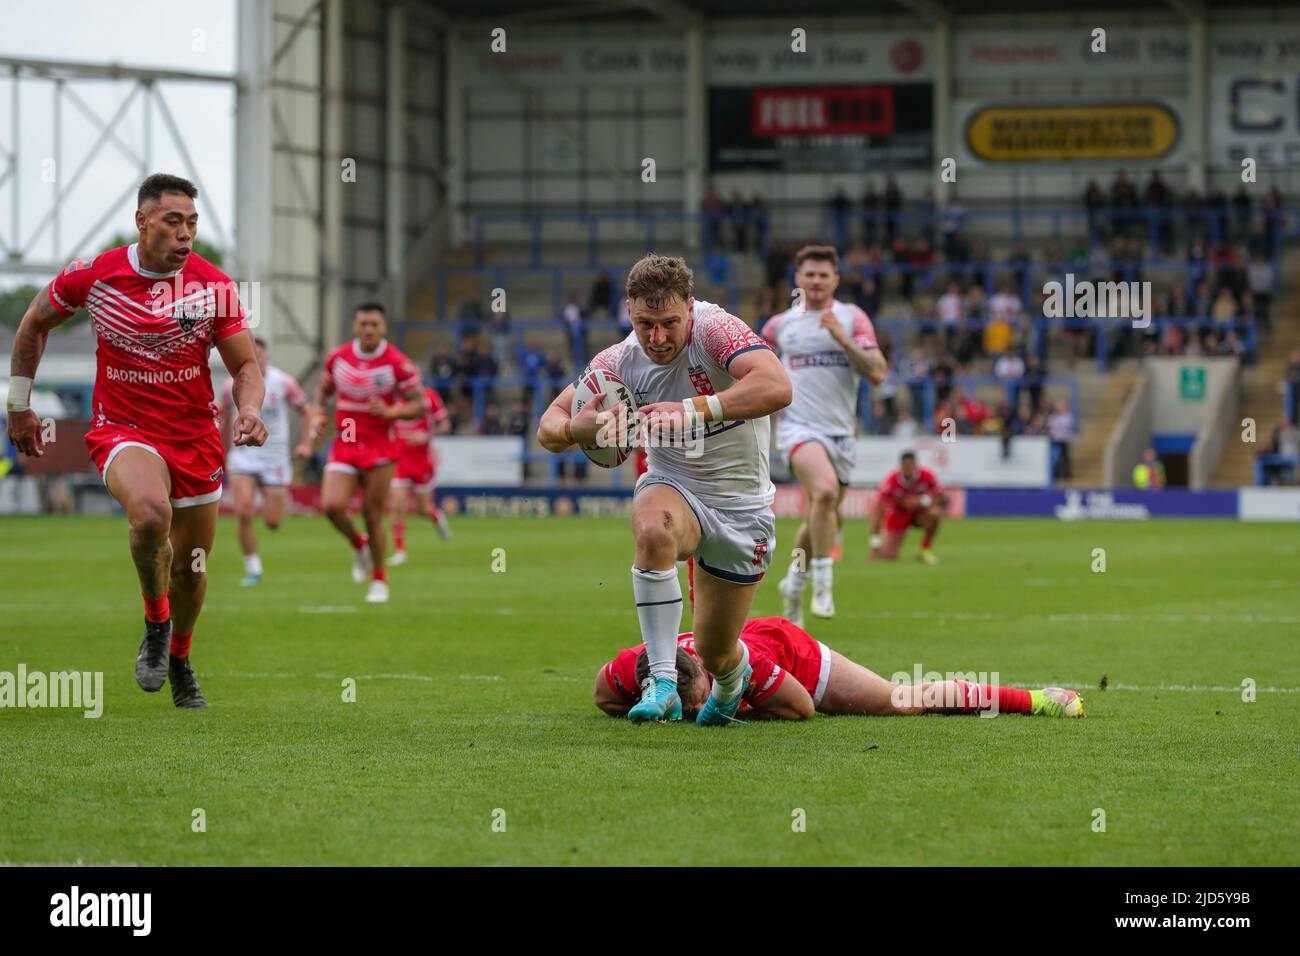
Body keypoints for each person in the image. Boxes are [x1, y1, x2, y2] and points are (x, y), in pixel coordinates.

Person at [5, 172, 267, 708]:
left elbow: (245, 365)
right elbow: (34, 323)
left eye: (192, 223)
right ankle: (155, 624)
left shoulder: (212, 286)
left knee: (191, 571)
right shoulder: (94, 276)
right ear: (142, 221)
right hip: (122, 429)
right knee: (149, 515)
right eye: (173, 222)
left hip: (194, 439)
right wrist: (18, 405)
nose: (185, 234)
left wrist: (250, 410)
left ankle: (180, 657)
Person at [537, 254, 792, 726]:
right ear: (629, 312)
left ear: (690, 309)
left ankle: (729, 688)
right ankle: (662, 680)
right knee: (653, 529)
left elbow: (777, 386)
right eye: (644, 324)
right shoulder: (617, 362)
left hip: (741, 506)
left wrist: (693, 410)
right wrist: (578, 427)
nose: (657, 338)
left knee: (716, 652)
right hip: (674, 484)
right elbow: (547, 428)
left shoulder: (716, 331)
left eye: (669, 323)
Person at [595, 616, 1084, 720]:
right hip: (756, 647)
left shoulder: (748, 664)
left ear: (704, 672)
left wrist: (732, 708)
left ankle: (1035, 699)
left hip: (796, 658)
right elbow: (602, 696)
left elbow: (803, 709)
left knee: (903, 702)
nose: (696, 708)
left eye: (700, 696)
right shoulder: (639, 666)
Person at [762, 245, 886, 623]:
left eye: (823, 275)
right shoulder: (779, 326)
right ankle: (822, 585)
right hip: (798, 429)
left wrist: (843, 341)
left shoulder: (852, 319)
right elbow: (754, 372)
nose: (816, 281)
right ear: (797, 279)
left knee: (823, 512)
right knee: (827, 493)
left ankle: (793, 589)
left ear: (835, 279)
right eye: (809, 275)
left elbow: (878, 372)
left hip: (842, 434)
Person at [312, 303, 427, 603]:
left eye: (374, 324)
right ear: (355, 326)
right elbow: (322, 393)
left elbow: (420, 404)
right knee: (331, 505)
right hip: (346, 442)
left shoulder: (397, 363)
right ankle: (357, 543)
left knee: (372, 514)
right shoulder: (338, 358)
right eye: (363, 323)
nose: (368, 329)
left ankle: (379, 580)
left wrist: (392, 411)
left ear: (383, 328)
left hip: (380, 446)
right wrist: (317, 414)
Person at [219, 337, 314, 586]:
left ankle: (263, 493)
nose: (256, 357)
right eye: (252, 352)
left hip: (275, 457)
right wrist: (220, 450)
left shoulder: (284, 382)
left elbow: (307, 411)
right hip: (243, 455)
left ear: (266, 356)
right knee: (243, 511)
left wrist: (306, 443)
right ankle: (253, 567)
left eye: (259, 353)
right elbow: (223, 415)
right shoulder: (231, 385)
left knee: (273, 522)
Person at [390, 385, 453, 565]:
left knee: (422, 509)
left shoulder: (429, 397)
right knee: (397, 505)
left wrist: (426, 435)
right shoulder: (392, 399)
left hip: (422, 461)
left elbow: (445, 425)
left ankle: (437, 517)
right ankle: (400, 550)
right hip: (400, 460)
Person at [870, 451, 946, 564]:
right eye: (905, 466)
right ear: (901, 466)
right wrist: (875, 545)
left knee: (935, 513)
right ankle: (885, 542)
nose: (908, 469)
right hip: (899, 514)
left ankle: (925, 550)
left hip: (920, 514)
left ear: (916, 465)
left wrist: (924, 500)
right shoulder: (891, 481)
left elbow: (942, 498)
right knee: (889, 556)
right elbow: (879, 509)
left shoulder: (927, 476)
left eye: (911, 465)